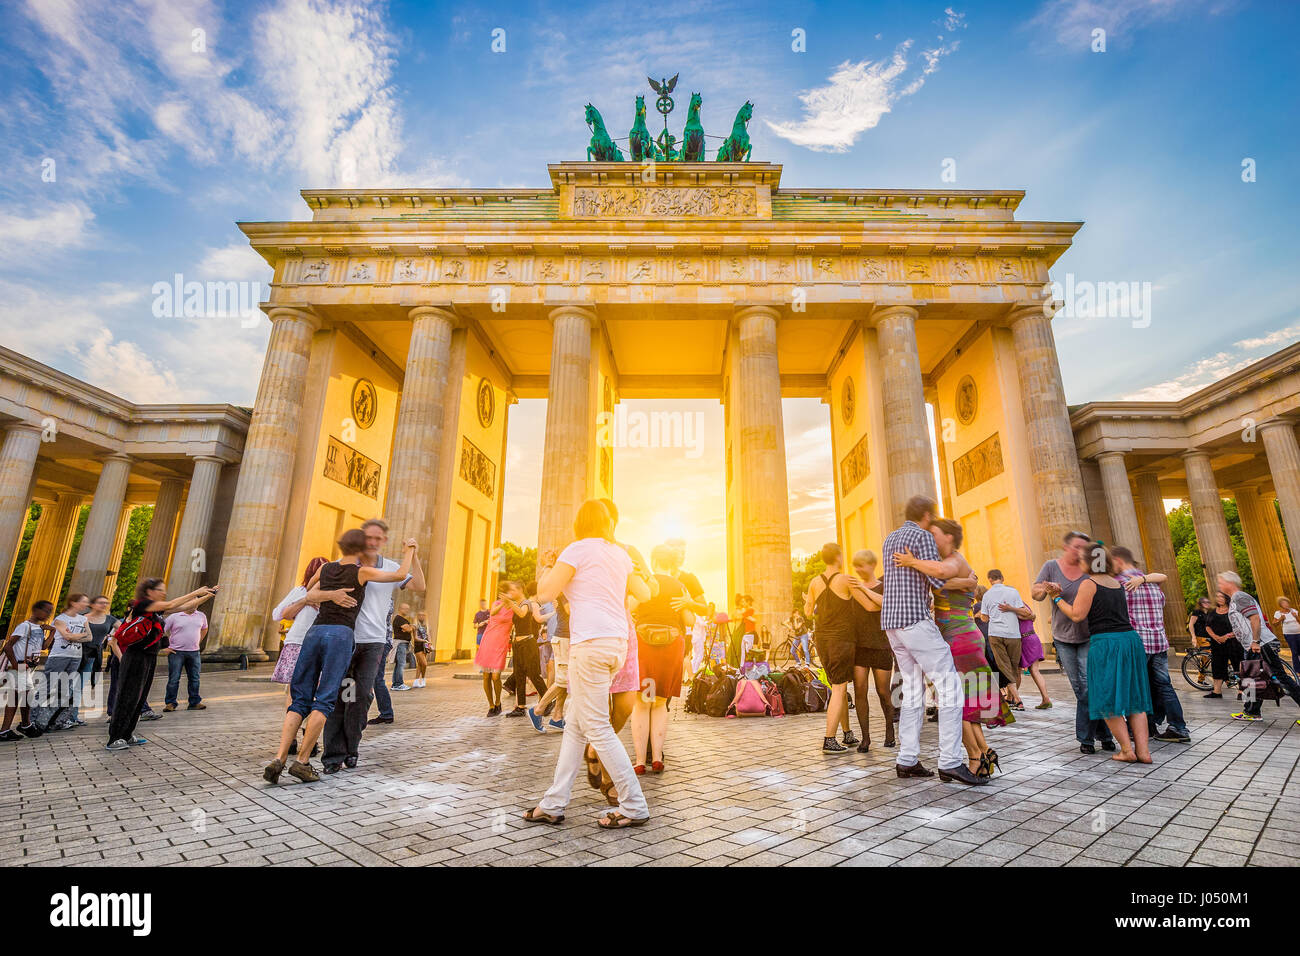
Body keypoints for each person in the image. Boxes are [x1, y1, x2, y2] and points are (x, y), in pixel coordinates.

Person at [525, 499, 653, 829]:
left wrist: (547, 569)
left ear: (579, 524)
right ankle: (553, 803)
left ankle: (634, 804)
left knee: (597, 726)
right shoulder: (619, 553)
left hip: (590, 644)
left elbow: (545, 593)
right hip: (616, 643)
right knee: (576, 723)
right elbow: (644, 592)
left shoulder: (577, 549)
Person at [264, 529, 417, 783]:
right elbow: (401, 575)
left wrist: (327, 595)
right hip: (340, 636)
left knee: (299, 699)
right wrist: (410, 550)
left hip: (314, 634)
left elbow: (307, 594)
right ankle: (301, 762)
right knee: (325, 699)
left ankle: (279, 758)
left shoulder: (325, 570)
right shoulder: (361, 572)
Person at [895, 519, 1011, 779]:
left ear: (949, 537)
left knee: (954, 701)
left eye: (934, 534)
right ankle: (983, 753)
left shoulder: (952, 562)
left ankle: (974, 759)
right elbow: (962, 583)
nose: (929, 539)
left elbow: (944, 580)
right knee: (966, 704)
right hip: (963, 636)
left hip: (957, 638)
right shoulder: (949, 565)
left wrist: (913, 565)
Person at [882, 496, 985, 786]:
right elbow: (938, 579)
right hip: (915, 620)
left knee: (912, 690)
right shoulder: (923, 537)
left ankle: (908, 759)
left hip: (892, 624)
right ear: (927, 516)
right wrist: (968, 581)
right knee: (950, 686)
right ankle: (950, 762)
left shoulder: (890, 538)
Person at [320, 517, 425, 772]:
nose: (373, 542)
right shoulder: (341, 565)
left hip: (374, 642)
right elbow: (313, 591)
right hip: (345, 639)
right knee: (341, 695)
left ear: (383, 541)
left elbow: (420, 587)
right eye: (369, 537)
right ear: (360, 538)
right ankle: (333, 755)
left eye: (378, 538)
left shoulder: (390, 567)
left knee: (362, 695)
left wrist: (414, 555)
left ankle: (351, 747)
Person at [1048, 545, 1152, 763]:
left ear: (1088, 562)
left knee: (1106, 698)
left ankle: (1126, 750)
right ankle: (1143, 751)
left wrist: (1057, 598)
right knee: (1135, 698)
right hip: (1130, 640)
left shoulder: (1089, 583)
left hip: (1106, 643)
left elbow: (1077, 615)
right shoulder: (1117, 583)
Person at [106, 579, 218, 751]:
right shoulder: (142, 604)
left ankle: (127, 734)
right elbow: (174, 603)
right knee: (127, 696)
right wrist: (196, 591)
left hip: (148, 657)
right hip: (135, 656)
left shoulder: (155, 609)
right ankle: (115, 737)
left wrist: (209, 595)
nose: (163, 593)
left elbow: (182, 607)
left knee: (139, 697)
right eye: (160, 590)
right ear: (149, 591)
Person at [1033, 530, 1115, 755]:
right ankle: (1104, 734)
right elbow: (1035, 592)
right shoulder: (1051, 566)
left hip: (1090, 635)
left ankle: (1087, 738)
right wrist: (1047, 588)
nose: (1081, 551)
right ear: (1066, 547)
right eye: (1077, 547)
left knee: (1089, 686)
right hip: (1063, 638)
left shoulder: (1090, 569)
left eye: (1084, 548)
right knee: (1081, 689)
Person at [1110, 545, 1189, 744]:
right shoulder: (1153, 583)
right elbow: (1161, 604)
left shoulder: (1120, 583)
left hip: (1137, 643)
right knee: (1164, 686)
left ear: (1118, 560)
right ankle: (1178, 727)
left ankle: (1140, 728)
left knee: (1134, 687)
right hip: (1159, 641)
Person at [630, 544, 692, 773]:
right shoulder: (679, 586)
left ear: (653, 561)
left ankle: (638, 762)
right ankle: (657, 758)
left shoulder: (645, 581)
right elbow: (691, 620)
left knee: (642, 702)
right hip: (670, 648)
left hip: (645, 646)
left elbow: (630, 606)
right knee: (659, 704)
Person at [805, 544, 864, 754]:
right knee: (840, 687)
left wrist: (808, 600)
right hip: (842, 639)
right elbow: (865, 604)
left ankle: (847, 733)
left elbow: (808, 611)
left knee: (838, 685)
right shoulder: (846, 579)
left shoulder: (814, 582)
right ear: (839, 557)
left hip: (822, 639)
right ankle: (829, 739)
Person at [1220, 571, 1300, 721]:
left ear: (1229, 583)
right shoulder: (1235, 599)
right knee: (1250, 678)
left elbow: (1255, 618)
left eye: (1221, 582)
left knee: (1281, 679)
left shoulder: (1239, 596)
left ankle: (1251, 712)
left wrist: (1255, 641)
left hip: (1261, 644)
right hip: (1252, 646)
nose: (1219, 585)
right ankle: (1251, 712)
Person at [270, 556, 329, 756]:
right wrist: (305, 600)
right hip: (297, 643)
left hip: (319, 645)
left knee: (313, 693)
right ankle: (293, 739)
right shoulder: (300, 591)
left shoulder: (330, 594)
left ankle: (307, 738)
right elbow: (278, 614)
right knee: (294, 693)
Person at [849, 549, 895, 750]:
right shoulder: (853, 587)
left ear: (872, 565)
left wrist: (862, 588)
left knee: (883, 692)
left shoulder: (885, 587)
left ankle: (890, 730)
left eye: (861, 565)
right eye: (856, 565)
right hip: (859, 646)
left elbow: (883, 606)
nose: (858, 569)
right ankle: (865, 738)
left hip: (881, 644)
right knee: (860, 690)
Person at [34, 593, 92, 731]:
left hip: (76, 656)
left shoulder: (83, 618)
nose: (86, 605)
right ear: (73, 603)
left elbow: (89, 637)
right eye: (84, 602)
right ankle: (34, 719)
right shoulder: (60, 619)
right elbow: (66, 636)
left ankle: (56, 720)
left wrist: (75, 636)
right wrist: (80, 634)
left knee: (65, 689)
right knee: (47, 686)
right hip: (59, 655)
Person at [0, 601, 54, 740]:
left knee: (16, 697)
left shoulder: (39, 628)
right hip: (19, 667)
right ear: (36, 610)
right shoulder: (24, 626)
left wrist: (52, 631)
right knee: (27, 696)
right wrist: (15, 664)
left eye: (50, 611)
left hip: (29, 667)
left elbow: (43, 646)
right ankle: (25, 725)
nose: (49, 614)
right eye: (47, 611)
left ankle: (7, 730)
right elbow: (8, 646)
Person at [475, 581, 528, 715]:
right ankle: (491, 706)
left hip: (501, 643)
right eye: (507, 592)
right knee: (486, 676)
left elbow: (520, 619)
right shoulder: (497, 604)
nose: (508, 594)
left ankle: (498, 703)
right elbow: (492, 613)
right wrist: (504, 603)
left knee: (495, 676)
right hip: (488, 640)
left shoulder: (514, 607)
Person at [979, 569, 1026, 710]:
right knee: (1012, 666)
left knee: (1004, 666)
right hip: (1013, 634)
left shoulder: (987, 595)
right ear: (1002, 578)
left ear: (989, 579)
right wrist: (1011, 609)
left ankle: (1015, 699)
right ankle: (1016, 699)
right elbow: (1023, 612)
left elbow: (984, 617)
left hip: (995, 634)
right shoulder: (1013, 592)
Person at [528, 592, 570, 733]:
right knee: (563, 680)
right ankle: (538, 710)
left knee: (565, 680)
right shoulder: (566, 590)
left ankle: (557, 717)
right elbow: (570, 610)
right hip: (565, 638)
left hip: (569, 638)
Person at [505, 581, 548, 717]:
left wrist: (510, 603)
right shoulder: (517, 604)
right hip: (518, 645)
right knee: (519, 675)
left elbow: (523, 614)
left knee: (534, 675)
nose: (510, 593)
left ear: (520, 590)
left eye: (512, 591)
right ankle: (521, 707)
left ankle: (548, 700)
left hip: (528, 644)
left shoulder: (526, 603)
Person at [162, 602, 208, 712]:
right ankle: (170, 703)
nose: (195, 606)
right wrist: (165, 647)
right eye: (193, 603)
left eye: (197, 603)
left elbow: (204, 628)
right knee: (174, 678)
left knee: (195, 678)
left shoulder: (201, 616)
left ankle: (194, 702)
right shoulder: (174, 616)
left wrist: (198, 642)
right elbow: (160, 630)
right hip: (176, 652)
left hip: (194, 652)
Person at [1200, 592, 1241, 699]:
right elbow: (1208, 626)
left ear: (1227, 598)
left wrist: (1226, 636)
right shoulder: (1213, 612)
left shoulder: (1234, 611)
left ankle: (1242, 691)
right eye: (1217, 596)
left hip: (1233, 643)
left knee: (1238, 666)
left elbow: (1240, 627)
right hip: (1217, 644)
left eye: (1221, 596)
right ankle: (1217, 692)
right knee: (1217, 667)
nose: (1218, 598)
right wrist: (1216, 637)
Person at [81, 595, 116, 702]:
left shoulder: (110, 619)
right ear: (92, 605)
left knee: (82, 683)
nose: (104, 605)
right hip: (79, 652)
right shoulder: (82, 617)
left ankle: (73, 715)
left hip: (94, 654)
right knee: (70, 682)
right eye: (101, 602)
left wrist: (112, 639)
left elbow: (126, 630)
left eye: (106, 603)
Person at [1017, 611, 1054, 709]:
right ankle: (1046, 699)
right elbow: (1032, 616)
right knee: (1035, 670)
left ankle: (1013, 699)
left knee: (1017, 671)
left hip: (1025, 640)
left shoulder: (1015, 606)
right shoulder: (1025, 607)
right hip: (1033, 637)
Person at [390, 603, 414, 691]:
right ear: (400, 609)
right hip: (401, 644)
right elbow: (409, 629)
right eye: (405, 609)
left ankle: (395, 684)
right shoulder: (399, 619)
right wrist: (410, 627)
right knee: (401, 664)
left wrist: (409, 627)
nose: (407, 610)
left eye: (408, 609)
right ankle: (398, 684)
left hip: (403, 644)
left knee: (399, 664)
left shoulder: (402, 619)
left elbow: (408, 628)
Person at [1274, 597, 1300, 662]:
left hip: (1298, 633)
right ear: (1280, 605)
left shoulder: (1294, 611)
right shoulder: (1278, 613)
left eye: (1287, 603)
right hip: (1289, 634)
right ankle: (1297, 669)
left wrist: (1296, 616)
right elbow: (1274, 624)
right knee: (1294, 651)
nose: (1286, 604)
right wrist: (1280, 619)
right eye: (1283, 603)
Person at [411, 610, 430, 687]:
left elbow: (428, 636)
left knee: (420, 664)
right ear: (417, 616)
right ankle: (423, 679)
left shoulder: (426, 626)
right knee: (424, 664)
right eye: (420, 615)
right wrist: (424, 640)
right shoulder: (415, 626)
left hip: (425, 647)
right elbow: (415, 638)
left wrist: (430, 644)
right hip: (418, 646)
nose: (421, 616)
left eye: (423, 615)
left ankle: (416, 682)